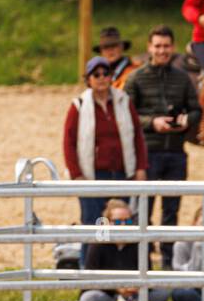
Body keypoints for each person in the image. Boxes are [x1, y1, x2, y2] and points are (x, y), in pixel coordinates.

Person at [125, 25, 202, 268]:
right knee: (143, 212)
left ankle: (169, 263)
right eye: (157, 46)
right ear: (149, 48)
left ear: (173, 47)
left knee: (171, 212)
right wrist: (151, 122)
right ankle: (143, 263)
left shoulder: (182, 79)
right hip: (147, 153)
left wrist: (186, 120)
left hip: (176, 153)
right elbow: (126, 115)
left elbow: (196, 110)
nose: (162, 50)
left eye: (166, 46)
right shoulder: (136, 78)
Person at [62, 55, 148, 268]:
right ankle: (89, 274)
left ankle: (125, 272)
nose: (101, 78)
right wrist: (76, 174)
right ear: (88, 79)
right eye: (96, 74)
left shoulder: (123, 101)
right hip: (92, 176)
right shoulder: (79, 105)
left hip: (121, 172)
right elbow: (69, 141)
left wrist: (140, 167)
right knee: (94, 225)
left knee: (124, 225)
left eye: (105, 73)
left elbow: (137, 135)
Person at [78, 199, 168, 301]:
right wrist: (116, 288)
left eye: (128, 221)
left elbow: (147, 275)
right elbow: (89, 281)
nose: (123, 225)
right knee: (89, 298)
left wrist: (136, 286)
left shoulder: (139, 244)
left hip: (134, 294)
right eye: (117, 222)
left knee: (163, 292)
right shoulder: (97, 244)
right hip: (107, 296)